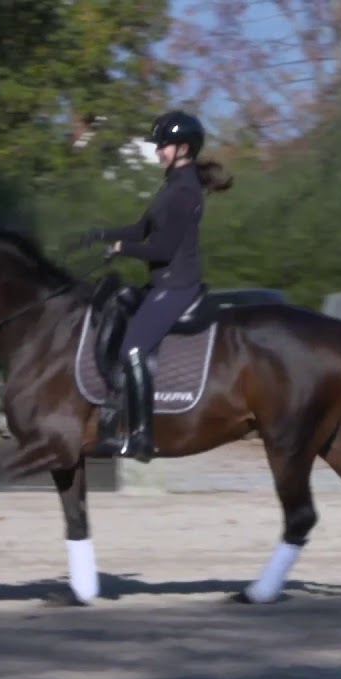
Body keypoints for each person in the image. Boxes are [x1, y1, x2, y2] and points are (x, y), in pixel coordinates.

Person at [78, 110, 233, 461]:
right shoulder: (171, 186)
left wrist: (121, 249)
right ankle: (112, 410)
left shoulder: (184, 192)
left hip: (177, 285)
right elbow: (141, 230)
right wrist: (100, 234)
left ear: (182, 149)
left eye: (163, 145)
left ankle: (142, 436)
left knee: (133, 349)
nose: (158, 151)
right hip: (162, 281)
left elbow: (163, 249)